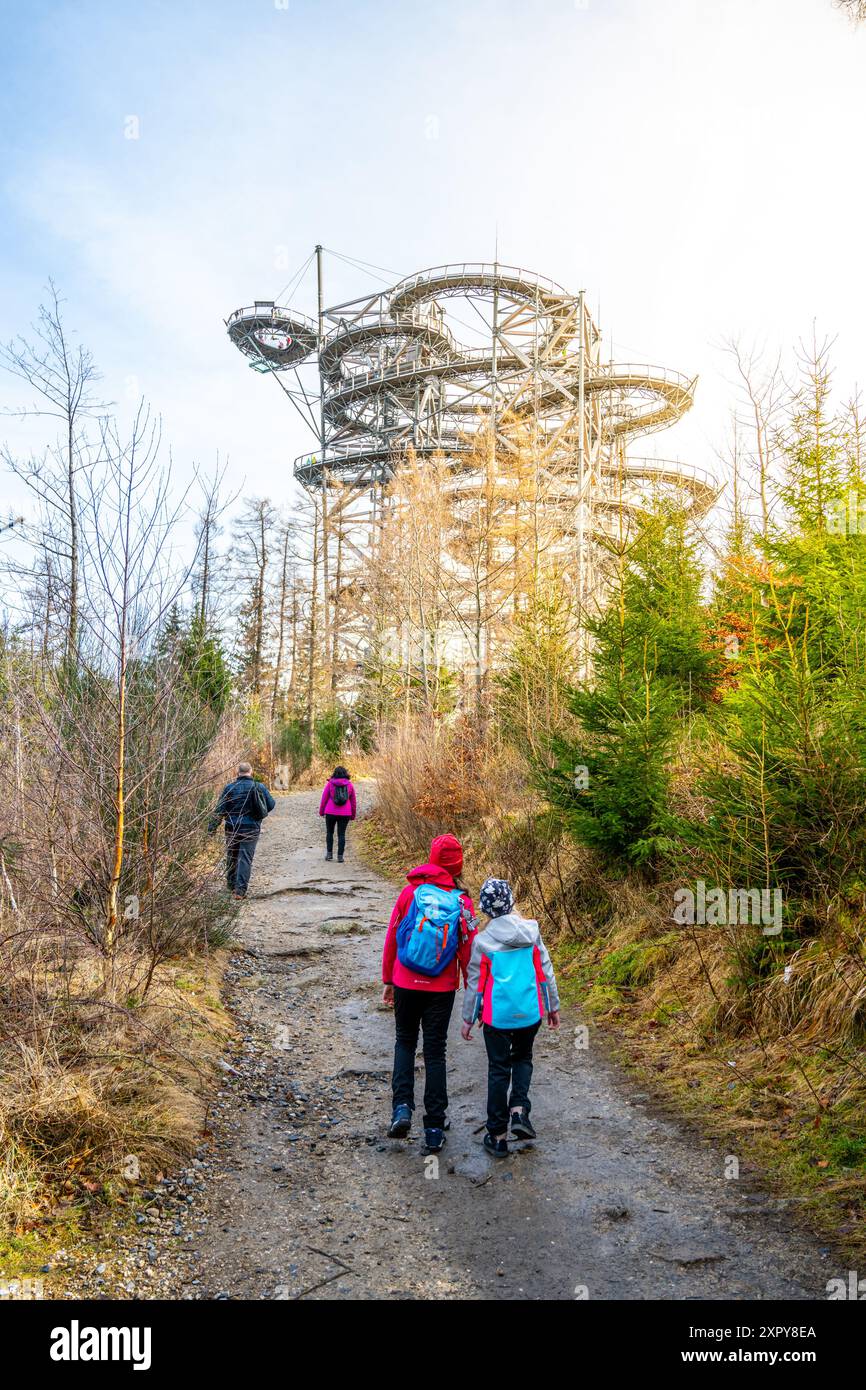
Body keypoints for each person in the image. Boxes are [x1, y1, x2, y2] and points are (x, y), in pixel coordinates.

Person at [381, 834, 477, 1153]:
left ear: (432, 859)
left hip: (406, 980)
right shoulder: (462, 901)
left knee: (405, 1041)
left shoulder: (411, 892)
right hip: (441, 985)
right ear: (458, 864)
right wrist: (472, 990)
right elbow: (469, 948)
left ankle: (401, 1110)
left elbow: (394, 935)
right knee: (435, 1050)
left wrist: (388, 979)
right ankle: (435, 1125)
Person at [461, 877, 560, 1158]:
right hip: (530, 1013)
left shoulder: (482, 942)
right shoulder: (532, 931)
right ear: (512, 902)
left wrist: (468, 1018)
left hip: (498, 1018)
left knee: (498, 1069)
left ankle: (498, 1135)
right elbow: (545, 970)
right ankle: (519, 1111)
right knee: (523, 1058)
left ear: (485, 909)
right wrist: (552, 1006)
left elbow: (476, 985)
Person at [208, 762, 275, 899]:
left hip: (232, 827)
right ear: (251, 771)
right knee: (245, 858)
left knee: (232, 856)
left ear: (237, 772)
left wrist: (211, 828)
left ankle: (231, 885)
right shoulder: (259, 787)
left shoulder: (229, 788)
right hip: (251, 828)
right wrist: (258, 815)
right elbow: (271, 804)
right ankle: (240, 891)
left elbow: (220, 810)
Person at [318, 766, 357, 862]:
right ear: (346, 774)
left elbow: (324, 798)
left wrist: (321, 811)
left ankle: (329, 854)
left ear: (334, 774)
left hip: (330, 812)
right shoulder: (350, 785)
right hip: (345, 813)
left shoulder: (330, 784)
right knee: (342, 834)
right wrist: (353, 815)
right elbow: (353, 801)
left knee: (330, 832)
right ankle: (340, 856)